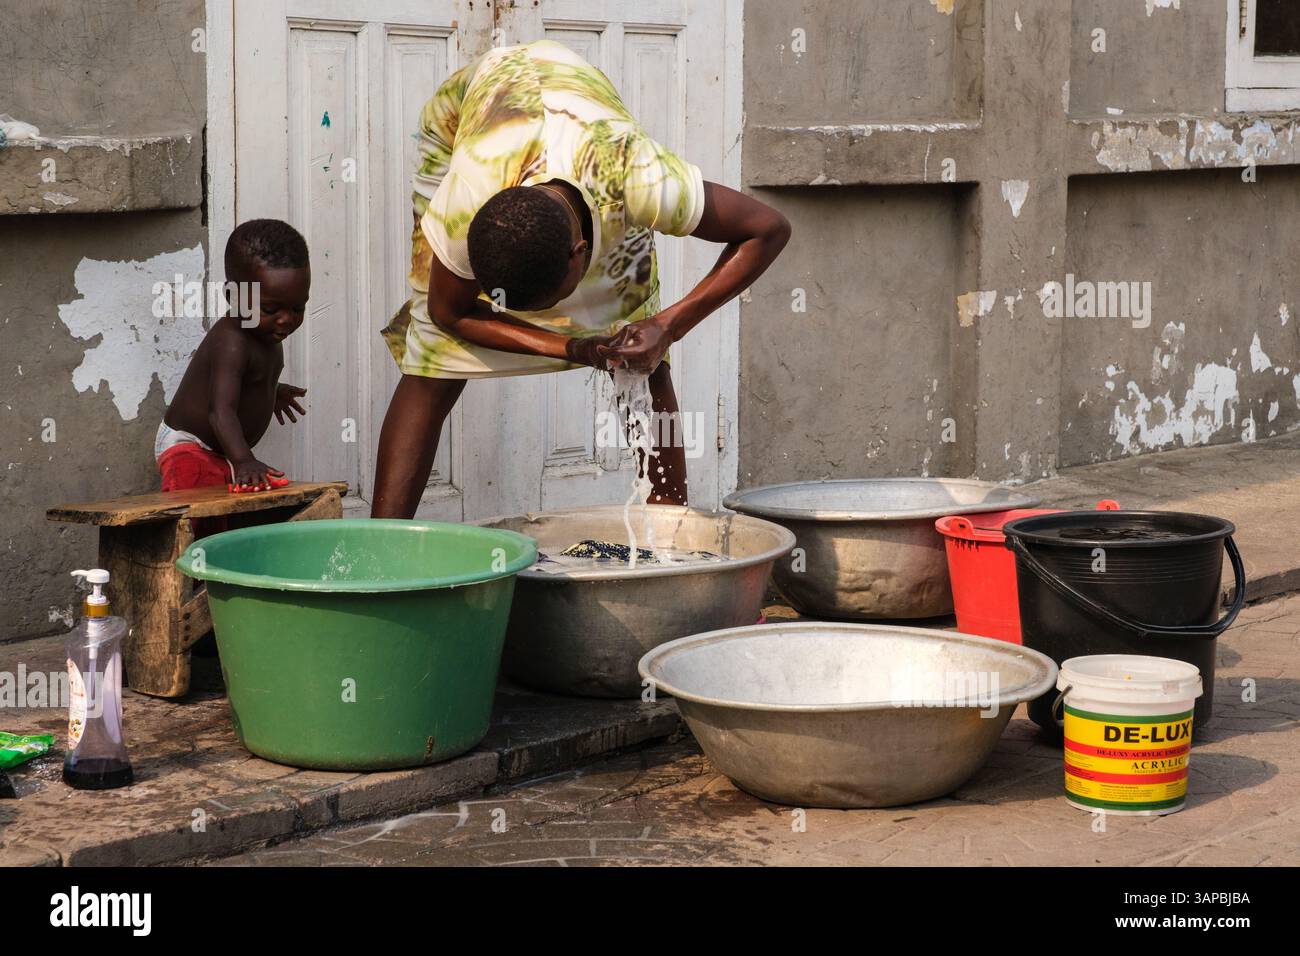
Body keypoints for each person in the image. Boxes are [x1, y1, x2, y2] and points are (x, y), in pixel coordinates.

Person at [373, 39, 790, 518]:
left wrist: (667, 326)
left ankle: (671, 527)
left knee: (639, 347)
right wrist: (571, 346)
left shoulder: (639, 177)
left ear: (582, 255)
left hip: (581, 119)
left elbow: (768, 229)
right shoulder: (465, 199)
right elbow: (448, 313)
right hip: (472, 107)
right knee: (434, 353)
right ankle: (382, 545)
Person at [157, 219, 310, 517]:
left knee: (230, 514)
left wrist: (272, 391)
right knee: (198, 517)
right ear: (233, 297)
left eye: (297, 308)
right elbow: (221, 410)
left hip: (219, 451)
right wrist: (243, 460)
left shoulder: (266, 335)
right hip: (190, 447)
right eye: (270, 309)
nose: (286, 320)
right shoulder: (232, 341)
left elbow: (244, 383)